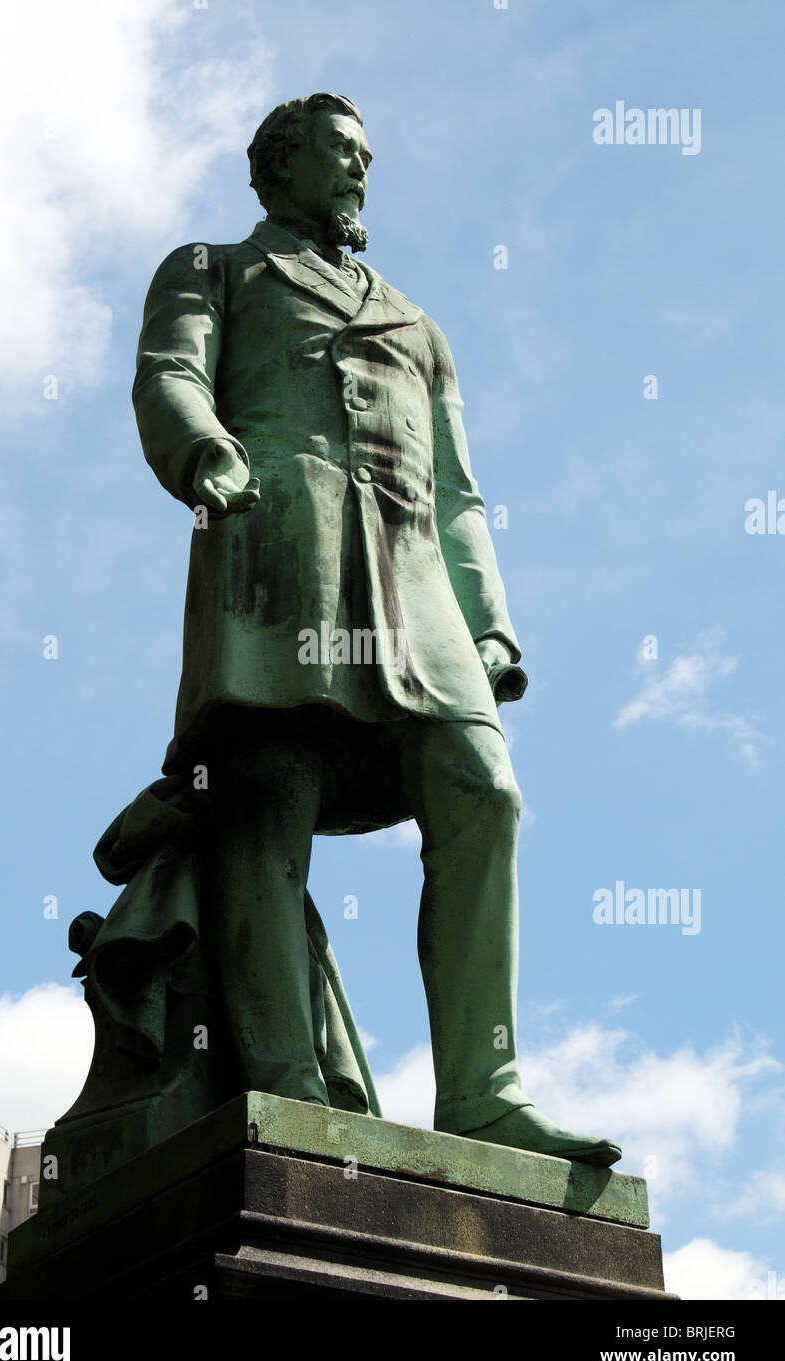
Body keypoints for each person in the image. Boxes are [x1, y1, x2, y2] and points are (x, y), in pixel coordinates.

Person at [132, 92, 620, 1165]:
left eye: (366, 158)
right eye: (339, 156)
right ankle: (288, 1086)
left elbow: (457, 493)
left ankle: (484, 1091)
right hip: (279, 557)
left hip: (416, 592)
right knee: (268, 803)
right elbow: (169, 374)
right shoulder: (212, 267)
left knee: (482, 792)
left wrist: (490, 624)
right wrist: (204, 448)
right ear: (275, 171)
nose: (358, 174)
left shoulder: (418, 323)